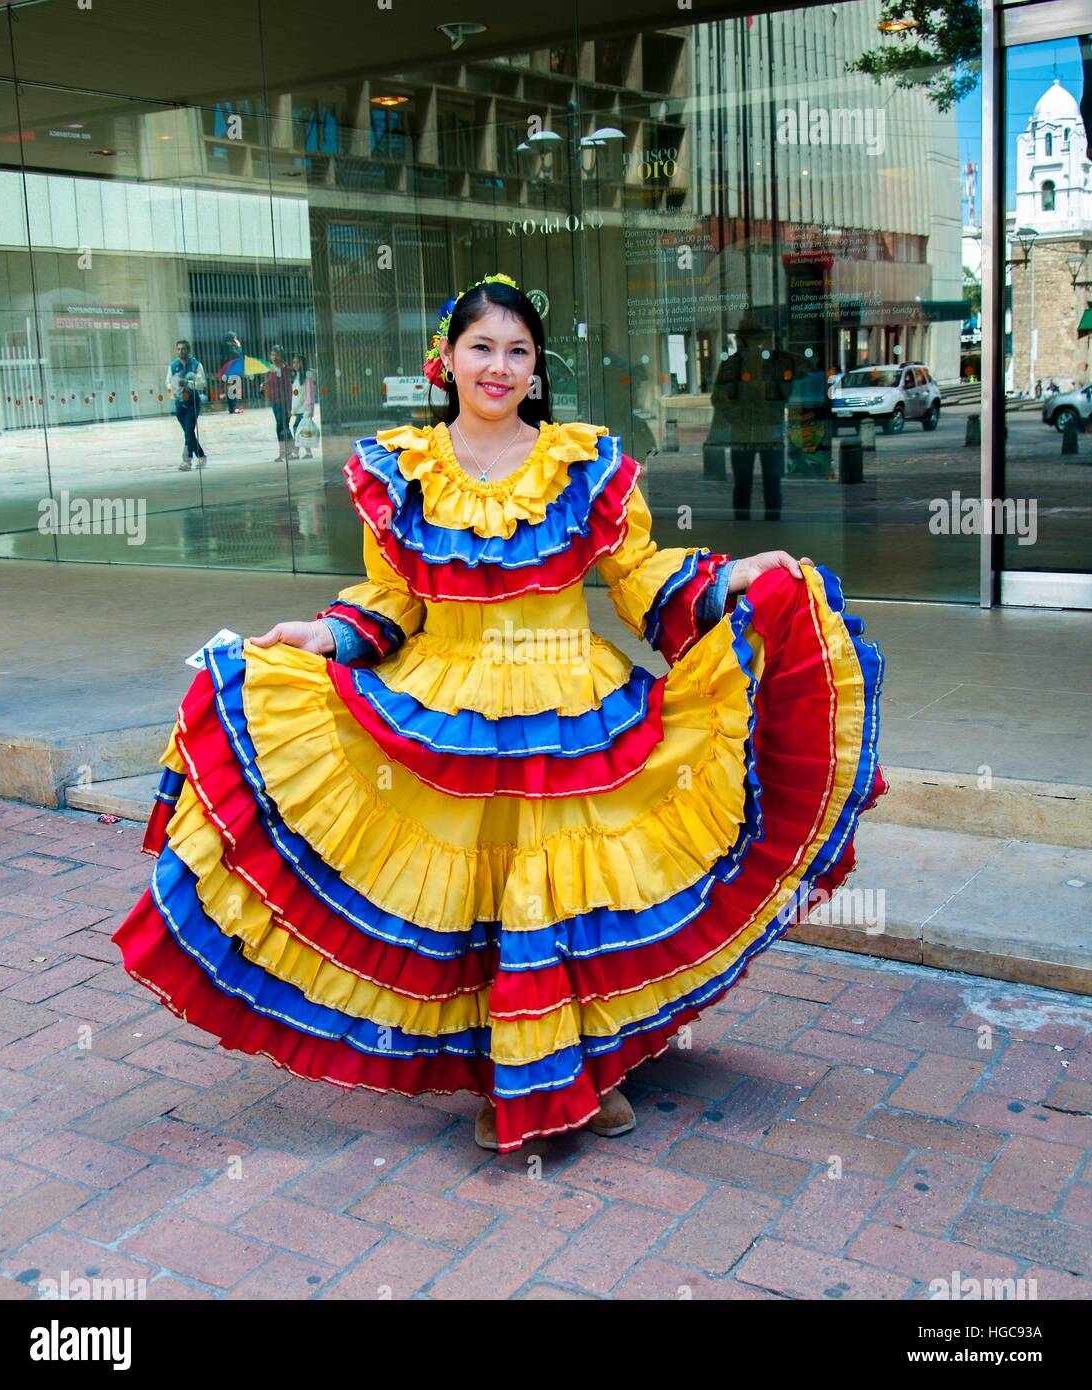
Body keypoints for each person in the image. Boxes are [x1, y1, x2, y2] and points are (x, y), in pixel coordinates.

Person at [113, 272, 888, 1154]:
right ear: (446, 359)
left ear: (535, 368)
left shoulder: (584, 465)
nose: (500, 366)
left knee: (570, 899)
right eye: (482, 347)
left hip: (568, 708)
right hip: (450, 711)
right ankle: (508, 1078)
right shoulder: (404, 471)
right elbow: (394, 601)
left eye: (518, 351)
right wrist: (321, 635)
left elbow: (640, 582)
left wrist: (735, 578)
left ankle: (580, 1072)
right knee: (474, 908)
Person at [711, 313, 801, 520]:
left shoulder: (775, 363)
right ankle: (744, 524)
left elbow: (786, 394)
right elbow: (718, 398)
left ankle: (772, 523)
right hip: (744, 434)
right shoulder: (731, 365)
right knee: (743, 484)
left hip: (769, 432)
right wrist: (736, 413)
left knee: (772, 482)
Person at [167, 339, 208, 471]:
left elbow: (202, 383)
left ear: (188, 350)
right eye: (178, 349)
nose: (181, 352)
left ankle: (186, 460)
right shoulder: (173, 366)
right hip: (179, 403)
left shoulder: (196, 365)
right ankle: (201, 456)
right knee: (188, 432)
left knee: (189, 431)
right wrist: (175, 387)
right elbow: (168, 383)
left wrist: (187, 383)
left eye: (183, 349)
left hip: (192, 402)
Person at [264, 345, 295, 462]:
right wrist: (265, 384)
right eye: (272, 354)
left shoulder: (284, 369)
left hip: (283, 402)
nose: (273, 357)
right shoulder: (273, 369)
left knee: (284, 427)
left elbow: (288, 389)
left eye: (275, 355)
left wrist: (289, 407)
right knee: (279, 428)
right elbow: (272, 382)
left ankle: (290, 451)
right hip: (275, 402)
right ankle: (283, 452)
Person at [289, 352, 317, 458]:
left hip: (305, 409)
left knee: (298, 429)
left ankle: (297, 453)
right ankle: (307, 452)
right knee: (301, 431)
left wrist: (309, 409)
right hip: (298, 408)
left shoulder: (307, 375)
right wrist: (292, 409)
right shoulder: (296, 376)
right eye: (294, 362)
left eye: (297, 362)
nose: (295, 365)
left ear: (302, 363)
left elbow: (310, 393)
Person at [220, 331, 246, 413]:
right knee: (232, 388)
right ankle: (232, 408)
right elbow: (238, 354)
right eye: (235, 338)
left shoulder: (226, 346)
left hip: (228, 369)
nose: (236, 339)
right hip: (231, 370)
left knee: (231, 388)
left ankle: (232, 407)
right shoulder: (230, 346)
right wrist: (239, 346)